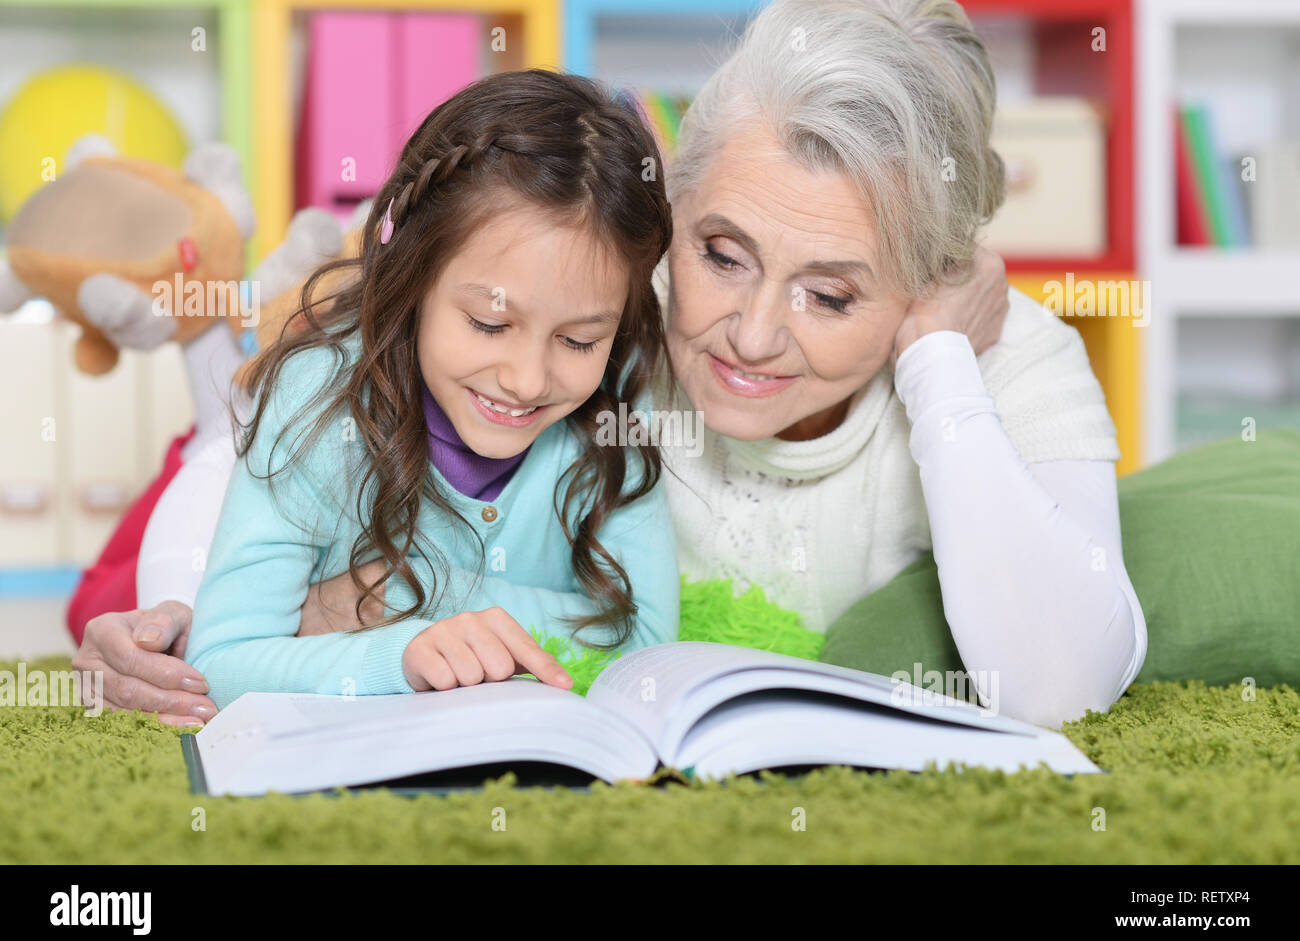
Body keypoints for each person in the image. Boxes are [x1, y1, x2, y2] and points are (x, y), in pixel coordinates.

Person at [77, 0, 1145, 729]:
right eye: (721, 251)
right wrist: (174, 609)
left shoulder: (998, 364)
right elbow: (282, 424)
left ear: (932, 273)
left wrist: (941, 366)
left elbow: (1059, 685)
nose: (752, 334)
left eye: (831, 293)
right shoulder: (607, 300)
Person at [173, 69, 678, 709]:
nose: (526, 381)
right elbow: (220, 662)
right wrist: (402, 655)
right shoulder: (317, 400)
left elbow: (649, 641)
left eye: (579, 341)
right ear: (413, 275)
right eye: (489, 323)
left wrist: (412, 593)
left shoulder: (617, 404)